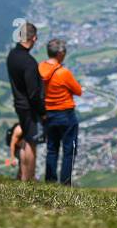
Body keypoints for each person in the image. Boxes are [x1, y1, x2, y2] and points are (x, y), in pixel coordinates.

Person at [39, 38, 82, 186]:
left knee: (52, 149)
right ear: (60, 53)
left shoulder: (40, 68)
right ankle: (65, 183)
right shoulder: (63, 72)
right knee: (69, 150)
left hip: (48, 113)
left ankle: (50, 181)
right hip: (65, 113)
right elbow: (78, 90)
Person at [6, 22, 45, 182]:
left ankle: (23, 176)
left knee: (25, 140)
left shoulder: (12, 56)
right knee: (31, 142)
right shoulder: (29, 62)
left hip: (19, 103)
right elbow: (34, 92)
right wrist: (43, 112)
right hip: (30, 108)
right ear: (34, 38)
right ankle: (28, 179)